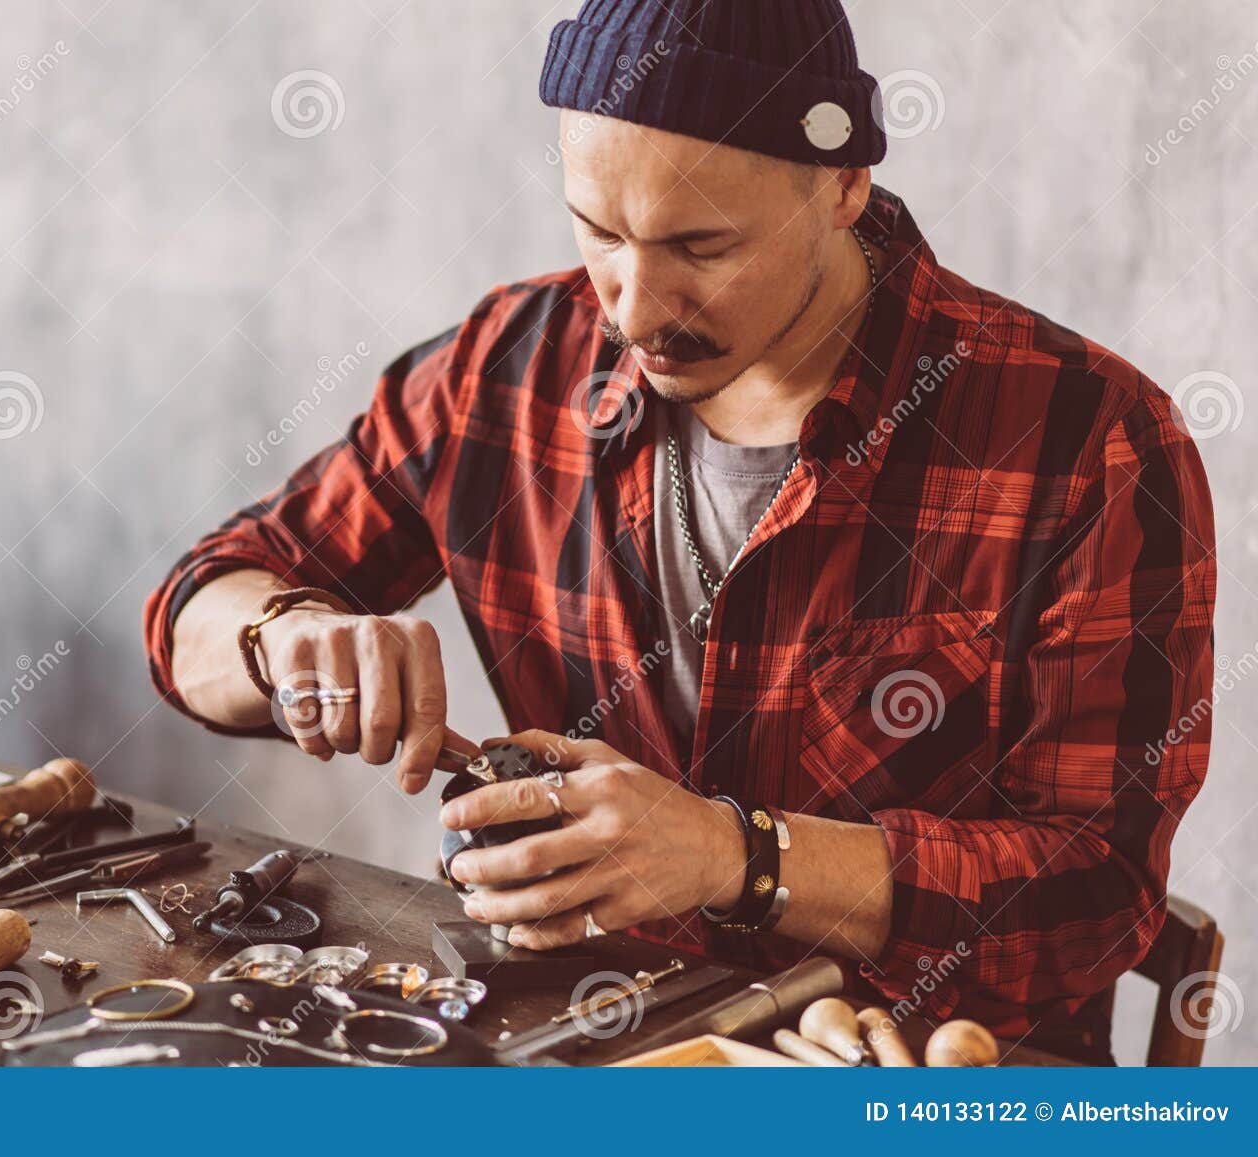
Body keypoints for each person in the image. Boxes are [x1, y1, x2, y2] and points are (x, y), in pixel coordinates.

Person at [145, 0, 1214, 1063]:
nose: (635, 307)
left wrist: (736, 856)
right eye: (600, 231)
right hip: (592, 1046)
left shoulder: (1090, 441)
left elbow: (1094, 893)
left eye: (701, 245)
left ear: (844, 184)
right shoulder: (503, 371)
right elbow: (196, 606)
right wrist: (280, 638)